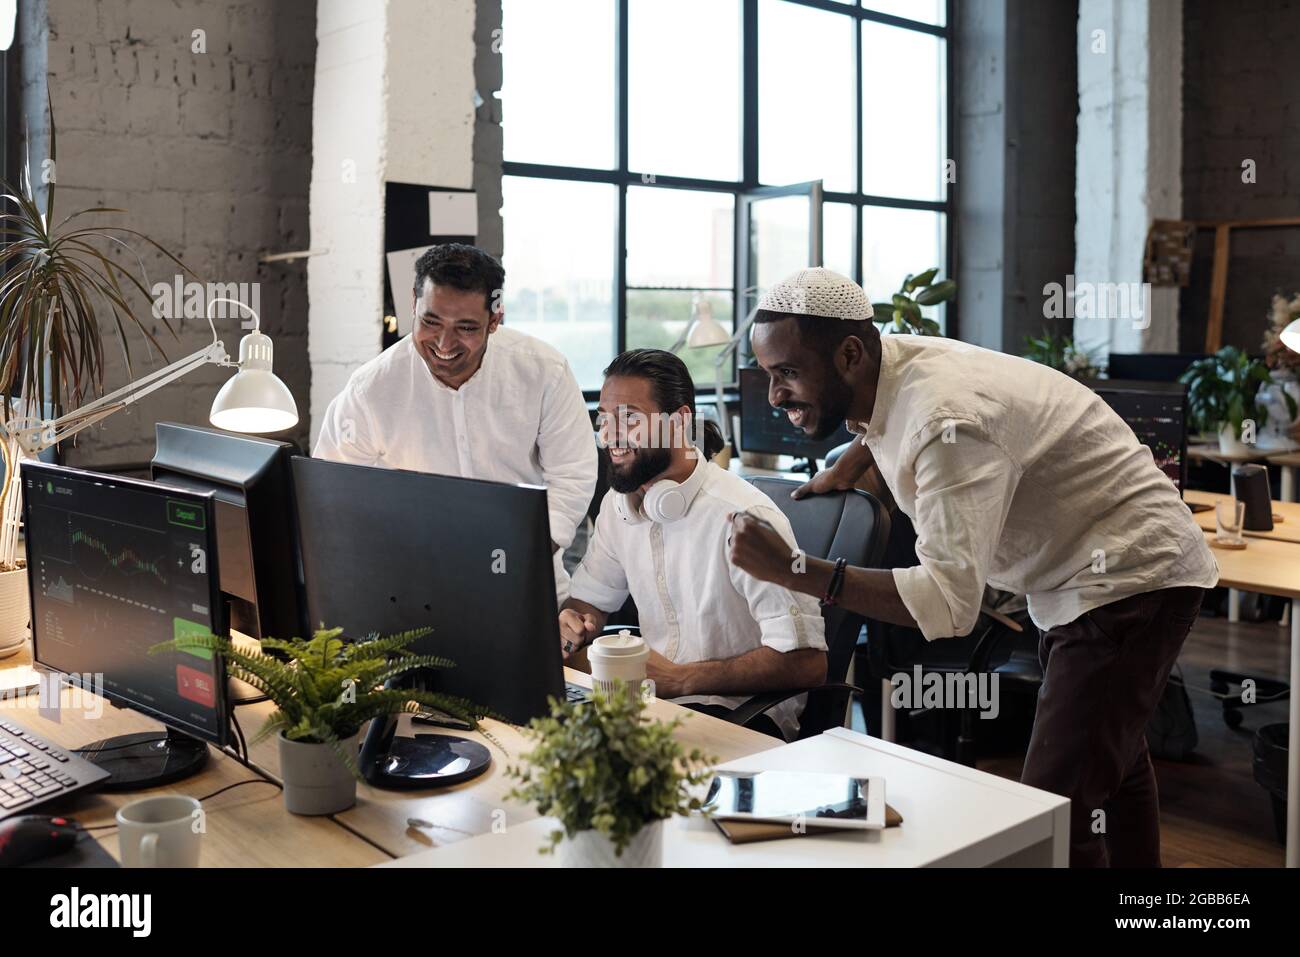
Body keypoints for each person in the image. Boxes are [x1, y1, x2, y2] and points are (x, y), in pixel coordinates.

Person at [729, 267, 1218, 865]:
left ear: (850, 354)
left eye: (787, 373)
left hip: (1130, 578)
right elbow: (887, 412)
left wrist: (794, 569)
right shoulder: (890, 363)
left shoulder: (947, 423)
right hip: (1088, 573)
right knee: (1106, 768)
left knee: (1053, 816)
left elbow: (947, 603)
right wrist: (851, 463)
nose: (775, 395)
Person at [562, 349, 827, 741]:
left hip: (740, 717)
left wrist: (683, 679)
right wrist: (573, 623)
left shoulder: (744, 516)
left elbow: (808, 663)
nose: (609, 435)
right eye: (604, 418)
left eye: (630, 418)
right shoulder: (622, 506)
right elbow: (588, 603)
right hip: (654, 706)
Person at [314, 243, 597, 600]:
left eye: (465, 327)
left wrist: (521, 557)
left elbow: (572, 475)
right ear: (413, 304)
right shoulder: (371, 389)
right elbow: (334, 493)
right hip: (413, 593)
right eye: (431, 321)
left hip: (525, 586)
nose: (444, 343)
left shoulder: (545, 371)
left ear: (495, 320)